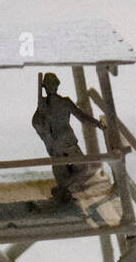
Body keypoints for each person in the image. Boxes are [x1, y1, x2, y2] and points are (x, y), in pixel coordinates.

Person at [31, 72, 105, 203]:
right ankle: (64, 189)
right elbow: (83, 117)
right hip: (67, 141)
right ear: (56, 86)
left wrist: (46, 133)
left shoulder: (45, 105)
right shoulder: (64, 102)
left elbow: (35, 123)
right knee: (82, 169)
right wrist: (97, 124)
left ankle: (63, 188)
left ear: (45, 88)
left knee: (69, 172)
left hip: (56, 145)